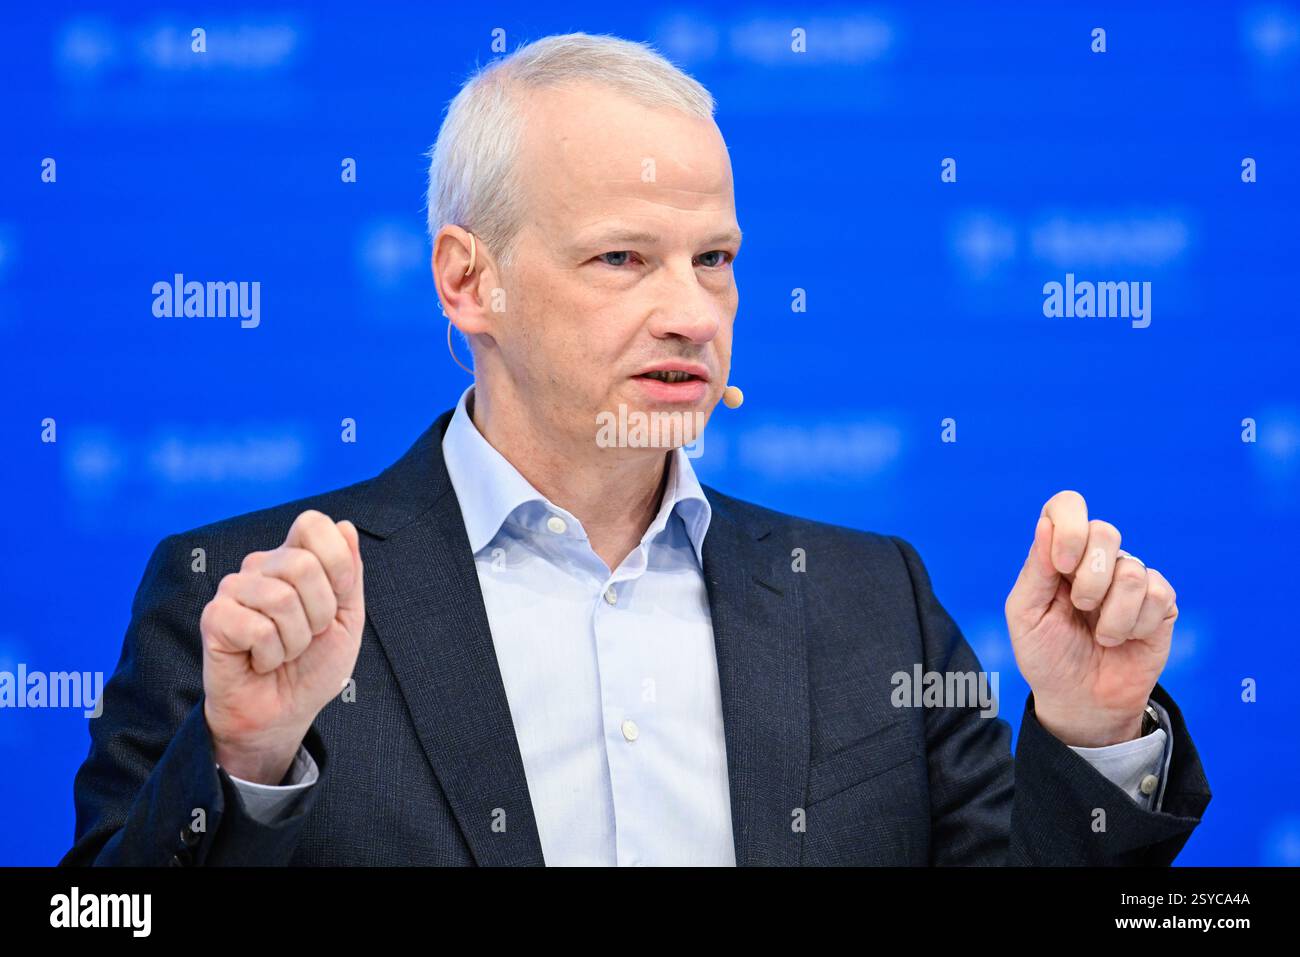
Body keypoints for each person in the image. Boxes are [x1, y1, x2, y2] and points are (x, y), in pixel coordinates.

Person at [63, 32, 1209, 867]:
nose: (691, 313)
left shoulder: (872, 599)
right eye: (623, 260)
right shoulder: (246, 597)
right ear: (470, 281)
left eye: (714, 259)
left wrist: (1090, 733)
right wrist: (247, 765)